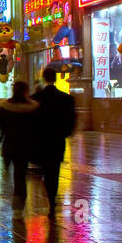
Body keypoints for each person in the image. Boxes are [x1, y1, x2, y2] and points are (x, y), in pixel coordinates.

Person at [31, 67, 76, 218]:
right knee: (54, 171)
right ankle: (52, 200)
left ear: (44, 79)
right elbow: (71, 119)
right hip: (57, 140)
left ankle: (49, 196)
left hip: (40, 140)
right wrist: (66, 133)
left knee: (44, 170)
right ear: (55, 79)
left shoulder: (35, 98)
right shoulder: (66, 98)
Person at [0, 81, 39, 212]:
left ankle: (14, 197)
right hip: (25, 146)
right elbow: (37, 128)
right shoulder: (32, 108)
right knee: (20, 175)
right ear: (25, 91)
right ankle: (19, 204)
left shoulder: (5, 107)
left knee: (9, 174)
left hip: (9, 146)